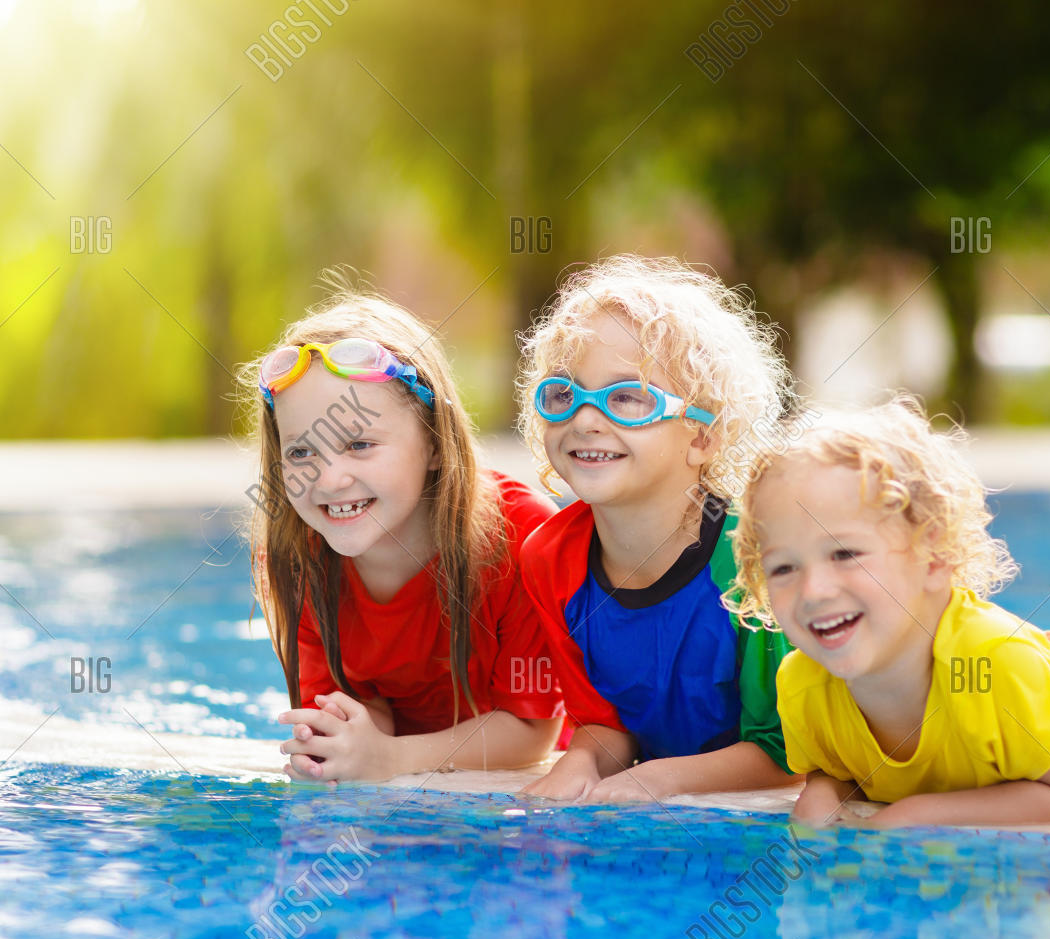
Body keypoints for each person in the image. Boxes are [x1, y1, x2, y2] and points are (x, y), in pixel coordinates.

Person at [728, 395, 1050, 828]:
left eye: (844, 554)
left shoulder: (993, 664)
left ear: (933, 556)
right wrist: (821, 794)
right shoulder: (802, 682)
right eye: (784, 567)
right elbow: (834, 768)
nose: (813, 590)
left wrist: (912, 815)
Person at [242, 274, 563, 786]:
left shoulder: (523, 537)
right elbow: (346, 713)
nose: (329, 479)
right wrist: (348, 738)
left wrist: (390, 758)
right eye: (301, 451)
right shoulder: (296, 556)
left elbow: (533, 734)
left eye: (359, 445)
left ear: (435, 443)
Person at [516, 255, 802, 802]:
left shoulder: (755, 555)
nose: (585, 418)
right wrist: (582, 761)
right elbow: (605, 724)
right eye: (564, 394)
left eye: (628, 397)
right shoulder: (549, 557)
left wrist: (656, 780)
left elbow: (788, 751)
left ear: (703, 437)